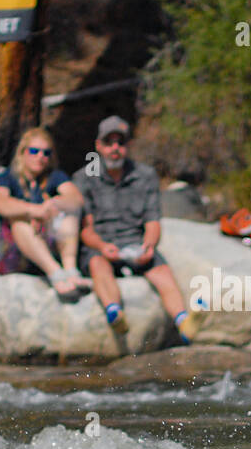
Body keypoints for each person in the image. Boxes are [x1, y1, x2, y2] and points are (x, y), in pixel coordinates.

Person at [73, 116, 202, 342]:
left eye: (120, 143)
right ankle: (115, 312)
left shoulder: (145, 176)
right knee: (97, 264)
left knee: (160, 270)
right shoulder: (85, 178)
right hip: (102, 246)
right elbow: (85, 230)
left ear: (127, 146)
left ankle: (183, 322)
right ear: (98, 146)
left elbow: (152, 221)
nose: (115, 148)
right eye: (109, 142)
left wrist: (149, 245)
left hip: (135, 242)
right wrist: (103, 247)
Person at [0, 126, 89, 300]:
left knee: (68, 213)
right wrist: (34, 211)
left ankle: (70, 269)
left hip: (48, 243)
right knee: (19, 221)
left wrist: (52, 205)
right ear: (22, 152)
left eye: (46, 153)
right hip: (16, 254)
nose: (40, 157)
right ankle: (56, 274)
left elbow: (76, 199)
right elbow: (1, 203)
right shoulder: (7, 177)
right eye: (34, 151)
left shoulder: (54, 177)